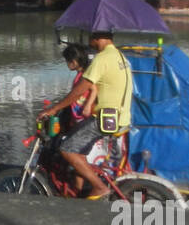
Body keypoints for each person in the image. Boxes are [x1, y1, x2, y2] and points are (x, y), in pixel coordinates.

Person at [39, 33, 134, 199]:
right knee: (78, 150)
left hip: (105, 119)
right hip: (120, 118)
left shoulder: (102, 58)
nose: (89, 42)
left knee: (66, 148)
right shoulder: (119, 56)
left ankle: (99, 187)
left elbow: (80, 89)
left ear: (97, 38)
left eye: (90, 37)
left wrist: (54, 108)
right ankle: (79, 192)